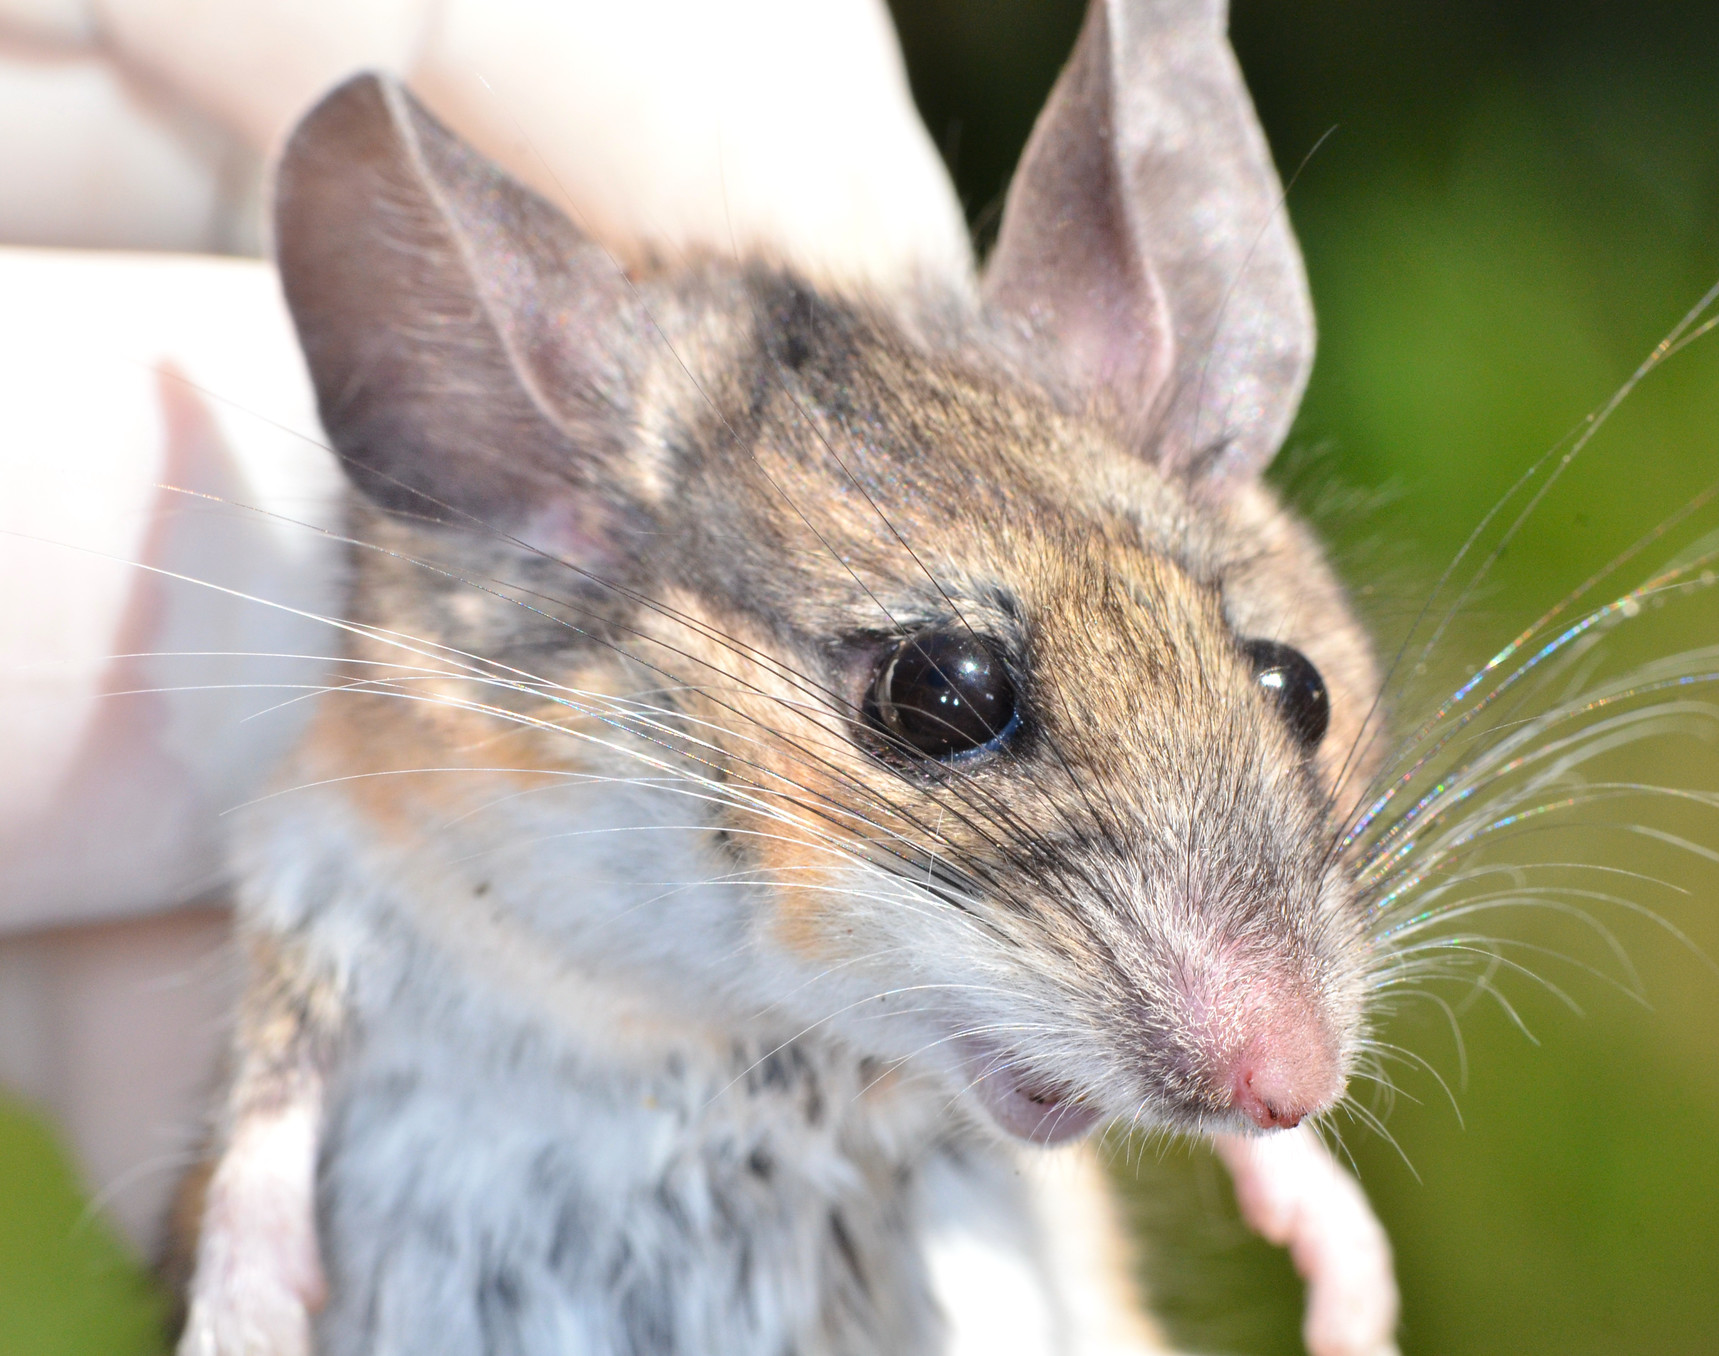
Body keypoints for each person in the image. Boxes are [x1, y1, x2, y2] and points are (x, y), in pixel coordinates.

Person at [0, 5, 1394, 1351]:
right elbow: (314, 946)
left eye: (1277, 693)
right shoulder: (470, 682)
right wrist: (253, 1230)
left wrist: (1279, 1161)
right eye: (944, 702)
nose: (1283, 1053)